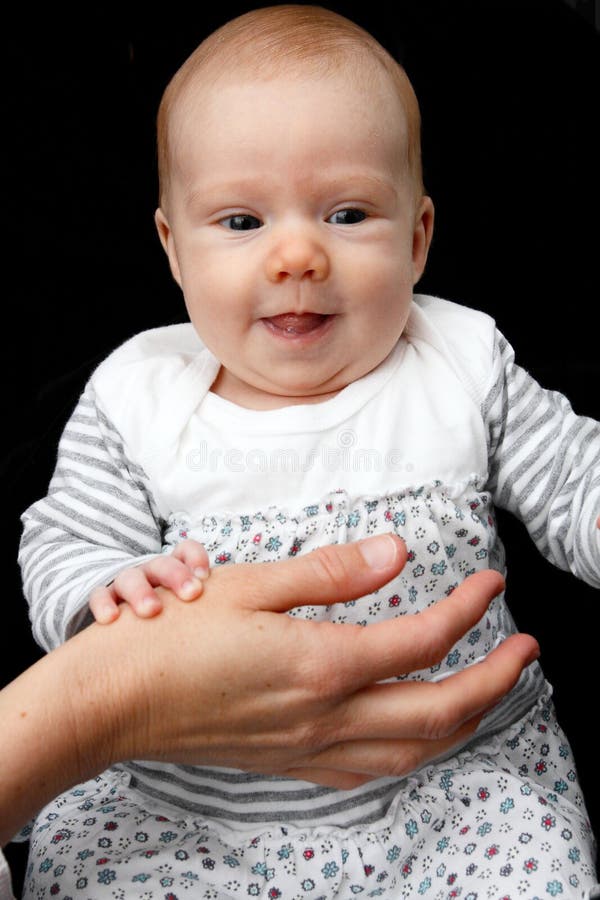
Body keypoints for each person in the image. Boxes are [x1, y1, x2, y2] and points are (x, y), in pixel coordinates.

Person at [16, 4, 599, 898]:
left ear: (417, 238)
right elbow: (62, 538)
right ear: (174, 248)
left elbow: (576, 483)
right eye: (242, 222)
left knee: (533, 868)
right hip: (191, 809)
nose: (297, 254)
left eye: (348, 212)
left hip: (451, 782)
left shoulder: (460, 361)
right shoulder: (138, 393)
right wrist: (105, 591)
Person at [3, 537, 540, 897]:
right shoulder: (140, 397)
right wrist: (118, 588)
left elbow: (569, 474)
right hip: (183, 827)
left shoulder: (468, 375)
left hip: (456, 806)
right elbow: (66, 541)